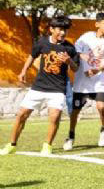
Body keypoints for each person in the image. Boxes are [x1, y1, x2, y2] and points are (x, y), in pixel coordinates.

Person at [1, 16, 80, 156]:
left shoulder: (70, 48)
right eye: (60, 29)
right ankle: (11, 144)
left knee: (54, 117)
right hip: (39, 86)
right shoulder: (42, 42)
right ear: (51, 29)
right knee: (21, 115)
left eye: (65, 30)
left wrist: (69, 61)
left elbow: (75, 69)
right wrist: (23, 71)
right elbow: (32, 55)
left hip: (58, 88)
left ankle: (47, 146)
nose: (63, 33)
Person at [66, 12, 104, 151]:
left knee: (101, 106)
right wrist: (83, 56)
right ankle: (70, 136)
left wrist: (96, 70)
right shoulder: (86, 37)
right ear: (97, 24)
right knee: (75, 112)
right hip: (81, 82)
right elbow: (76, 51)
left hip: (98, 81)